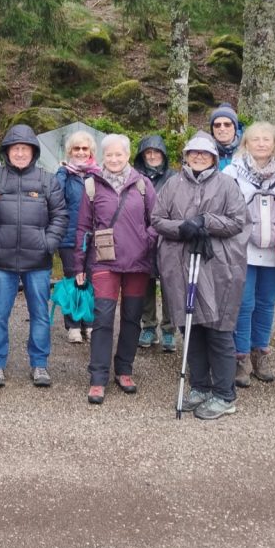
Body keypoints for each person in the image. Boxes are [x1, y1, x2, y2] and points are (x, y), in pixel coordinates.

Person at [152, 131, 249, 420]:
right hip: (180, 264)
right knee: (190, 328)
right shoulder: (173, 184)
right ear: (185, 156)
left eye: (204, 153)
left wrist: (205, 221)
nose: (198, 156)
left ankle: (224, 394)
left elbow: (238, 221)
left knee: (217, 329)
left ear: (214, 157)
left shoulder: (226, 184)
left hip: (217, 266)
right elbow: (157, 219)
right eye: (193, 152)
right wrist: (183, 228)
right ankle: (200, 386)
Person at [0, 124, 67, 388]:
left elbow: (60, 216)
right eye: (15, 148)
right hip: (1, 261)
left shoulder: (47, 180)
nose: (19, 153)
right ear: (7, 151)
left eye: (24, 148)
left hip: (37, 262)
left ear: (33, 151)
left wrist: (47, 243)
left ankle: (39, 364)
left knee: (40, 315)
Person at [74, 134, 157, 404]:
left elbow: (156, 220)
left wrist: (146, 241)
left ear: (128, 155)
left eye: (118, 154)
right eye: (109, 154)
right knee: (103, 318)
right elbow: (83, 228)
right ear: (102, 157)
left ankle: (124, 370)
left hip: (137, 262)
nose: (113, 159)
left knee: (132, 317)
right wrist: (79, 264)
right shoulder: (92, 185)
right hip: (103, 262)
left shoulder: (143, 184)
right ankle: (98, 377)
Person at [222, 122, 275, 387]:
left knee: (266, 303)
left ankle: (260, 353)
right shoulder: (232, 172)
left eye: (266, 139)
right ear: (245, 143)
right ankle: (240, 357)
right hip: (243, 250)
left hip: (274, 250)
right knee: (244, 303)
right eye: (255, 139)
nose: (261, 143)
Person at [133, 135, 178, 351]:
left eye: (156, 152)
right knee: (145, 283)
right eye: (148, 152)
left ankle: (169, 330)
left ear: (163, 155)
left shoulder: (174, 177)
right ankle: (148, 326)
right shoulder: (135, 177)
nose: (152, 156)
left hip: (168, 237)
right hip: (141, 236)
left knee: (170, 286)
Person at [55, 130, 99, 344]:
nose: (81, 152)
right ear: (70, 151)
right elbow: (55, 196)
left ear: (91, 151)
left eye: (84, 148)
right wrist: (62, 172)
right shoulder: (64, 174)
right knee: (73, 279)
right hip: (69, 235)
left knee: (91, 279)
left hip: (93, 236)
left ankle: (89, 322)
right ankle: (72, 324)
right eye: (76, 148)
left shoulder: (98, 174)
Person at [209, 103, 243, 170]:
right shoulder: (205, 152)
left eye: (227, 124)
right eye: (217, 125)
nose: (222, 128)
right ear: (212, 129)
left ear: (235, 128)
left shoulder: (247, 149)